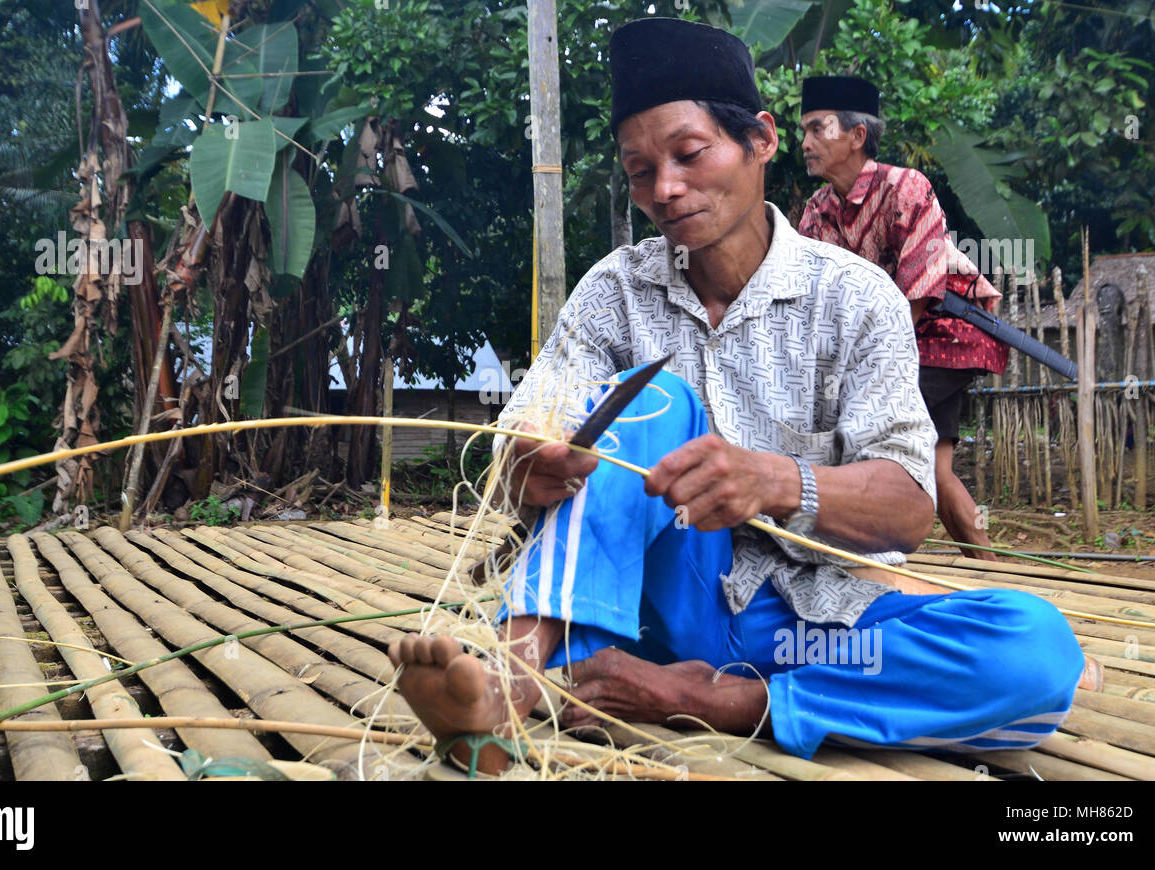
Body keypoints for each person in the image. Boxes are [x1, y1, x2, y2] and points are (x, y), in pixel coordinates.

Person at [389, 18, 1086, 776]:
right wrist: (529, 457)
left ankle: (719, 700)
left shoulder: (858, 298)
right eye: (638, 170)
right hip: (644, 607)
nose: (665, 190)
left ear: (760, 139)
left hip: (808, 625)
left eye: (689, 154)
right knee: (650, 403)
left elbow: (910, 505)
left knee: (1033, 654)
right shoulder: (613, 293)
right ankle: (509, 683)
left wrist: (777, 480)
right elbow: (527, 425)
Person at [795, 76, 1008, 561]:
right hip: (881, 342)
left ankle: (854, 560)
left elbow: (919, 291)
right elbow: (815, 298)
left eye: (816, 128)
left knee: (864, 442)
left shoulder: (907, 187)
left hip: (943, 333)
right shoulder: (815, 212)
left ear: (856, 136)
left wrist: (858, 365)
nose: (805, 143)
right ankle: (993, 570)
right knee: (935, 469)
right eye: (803, 130)